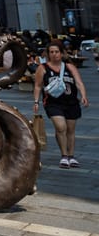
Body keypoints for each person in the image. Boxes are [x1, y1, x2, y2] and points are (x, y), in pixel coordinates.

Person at [33, 40, 89, 168]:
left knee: (70, 130)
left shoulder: (69, 67)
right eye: (51, 52)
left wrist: (84, 96)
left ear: (62, 53)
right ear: (48, 54)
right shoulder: (43, 68)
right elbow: (37, 86)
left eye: (56, 52)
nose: (54, 54)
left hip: (71, 102)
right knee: (61, 127)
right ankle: (64, 155)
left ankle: (71, 155)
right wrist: (36, 101)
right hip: (53, 103)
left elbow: (79, 83)